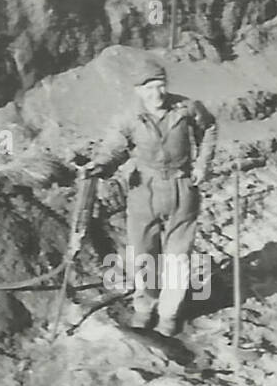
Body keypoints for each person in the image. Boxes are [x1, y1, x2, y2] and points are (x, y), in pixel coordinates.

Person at [84, 57, 217, 336]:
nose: (156, 94)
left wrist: (203, 165)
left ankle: (169, 314)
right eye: (148, 89)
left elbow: (209, 128)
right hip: (143, 190)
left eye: (160, 86)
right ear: (137, 90)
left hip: (182, 189)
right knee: (143, 254)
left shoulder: (186, 107)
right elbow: (113, 150)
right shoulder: (127, 119)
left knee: (178, 258)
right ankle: (145, 306)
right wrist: (100, 166)